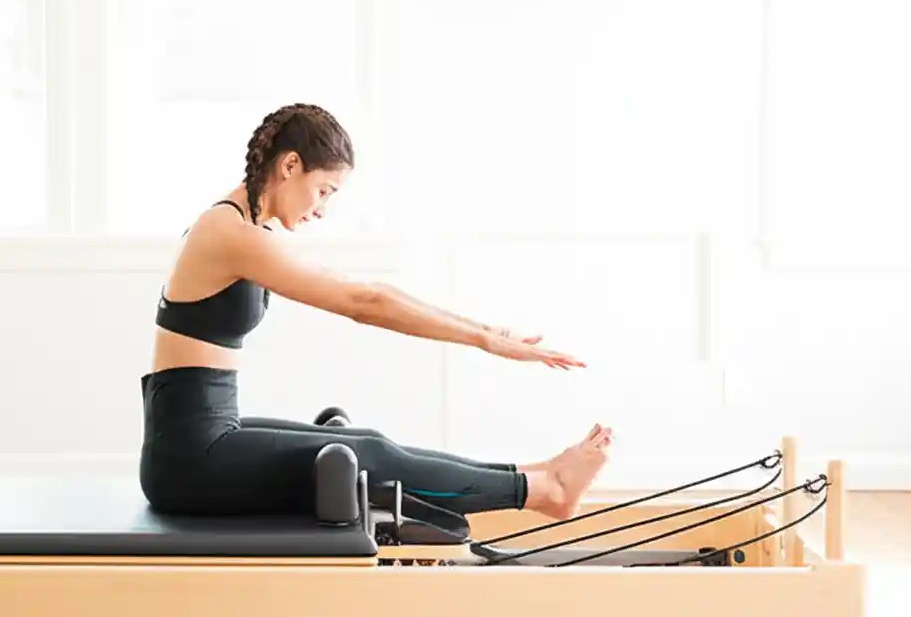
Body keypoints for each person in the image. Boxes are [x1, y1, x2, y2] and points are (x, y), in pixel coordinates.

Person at [139, 103, 612, 521]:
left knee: (367, 440)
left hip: (204, 436)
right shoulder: (230, 233)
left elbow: (367, 291)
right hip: (190, 459)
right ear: (289, 165)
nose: (322, 209)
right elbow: (364, 302)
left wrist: (485, 329)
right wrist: (484, 340)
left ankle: (537, 474)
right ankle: (543, 491)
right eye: (324, 190)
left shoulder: (245, 228)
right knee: (366, 453)